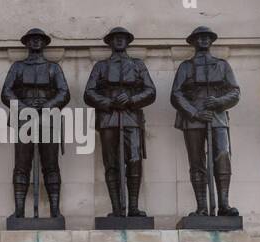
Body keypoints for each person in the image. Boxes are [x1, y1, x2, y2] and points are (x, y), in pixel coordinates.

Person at [83, 27, 157, 218]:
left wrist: (131, 100)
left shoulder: (137, 64)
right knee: (111, 164)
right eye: (115, 38)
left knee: (134, 160)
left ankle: (133, 206)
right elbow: (89, 93)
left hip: (131, 118)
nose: (119, 41)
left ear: (127, 41)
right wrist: (107, 102)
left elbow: (150, 91)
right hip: (108, 118)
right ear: (109, 42)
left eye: (122, 38)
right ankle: (117, 208)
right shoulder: (101, 66)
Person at [170, 26, 241, 217]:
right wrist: (194, 113)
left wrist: (219, 102)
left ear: (211, 41)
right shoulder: (186, 66)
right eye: (199, 37)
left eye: (206, 37)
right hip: (193, 118)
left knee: (222, 156)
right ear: (193, 41)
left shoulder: (222, 65)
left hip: (217, 116)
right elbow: (176, 94)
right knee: (196, 162)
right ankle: (202, 206)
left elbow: (235, 92)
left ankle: (224, 204)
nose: (203, 40)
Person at [1, 27, 70, 219]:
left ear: (44, 42)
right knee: (22, 165)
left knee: (51, 164)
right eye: (32, 39)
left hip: (48, 119)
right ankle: (20, 211)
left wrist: (47, 106)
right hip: (24, 119)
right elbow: (6, 92)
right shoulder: (18, 67)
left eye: (39, 39)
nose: (35, 42)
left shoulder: (53, 67)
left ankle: (55, 211)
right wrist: (24, 107)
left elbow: (64, 92)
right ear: (26, 43)